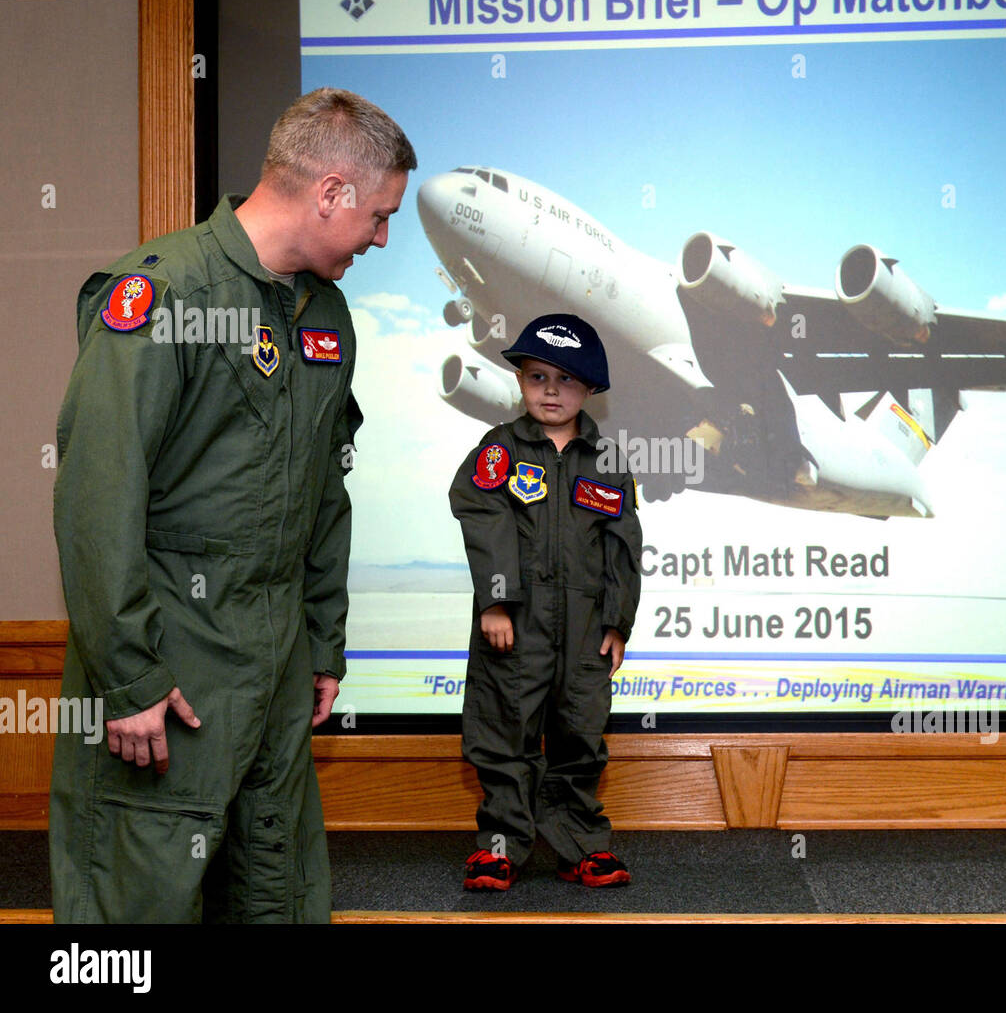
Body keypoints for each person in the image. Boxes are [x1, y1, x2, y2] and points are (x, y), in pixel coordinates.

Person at [49, 87, 416, 923]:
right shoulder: (162, 293)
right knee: (135, 905)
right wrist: (130, 674)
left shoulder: (324, 314)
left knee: (275, 891)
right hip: (170, 666)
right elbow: (97, 496)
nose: (382, 238)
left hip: (279, 671)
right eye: (379, 216)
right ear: (329, 192)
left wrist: (323, 643)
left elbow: (326, 492)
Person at [448, 313, 642, 890]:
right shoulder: (499, 451)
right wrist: (496, 602)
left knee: (579, 737)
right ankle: (500, 846)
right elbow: (483, 520)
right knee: (504, 732)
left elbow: (623, 545)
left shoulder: (607, 463)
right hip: (516, 624)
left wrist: (616, 622)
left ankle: (582, 845)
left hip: (584, 630)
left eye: (565, 379)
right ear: (521, 382)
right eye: (537, 377)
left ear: (590, 389)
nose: (550, 391)